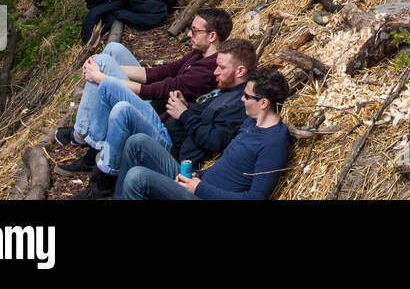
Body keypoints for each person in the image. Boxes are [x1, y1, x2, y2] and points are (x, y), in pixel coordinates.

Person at [70, 38, 256, 200]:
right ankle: (99, 164)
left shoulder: (239, 102)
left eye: (221, 67)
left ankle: (99, 170)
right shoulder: (224, 86)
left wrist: (184, 114)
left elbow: (214, 140)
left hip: (170, 146)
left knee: (120, 106)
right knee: (108, 67)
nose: (215, 72)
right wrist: (187, 107)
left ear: (240, 71)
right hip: (166, 127)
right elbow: (166, 75)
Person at [57, 8, 232, 177]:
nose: (188, 34)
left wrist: (101, 77)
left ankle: (81, 135)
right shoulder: (198, 55)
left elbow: (152, 91)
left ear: (212, 36)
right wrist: (107, 67)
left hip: (156, 116)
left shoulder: (206, 72)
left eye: (194, 31)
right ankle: (83, 131)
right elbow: (160, 73)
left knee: (103, 70)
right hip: (155, 105)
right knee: (111, 51)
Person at [117, 68, 291, 200]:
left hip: (202, 195)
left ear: (263, 103)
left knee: (137, 177)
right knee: (137, 142)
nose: (242, 99)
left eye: (247, 96)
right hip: (200, 182)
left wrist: (199, 188)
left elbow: (255, 197)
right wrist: (198, 175)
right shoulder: (251, 122)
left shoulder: (273, 143)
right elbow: (227, 167)